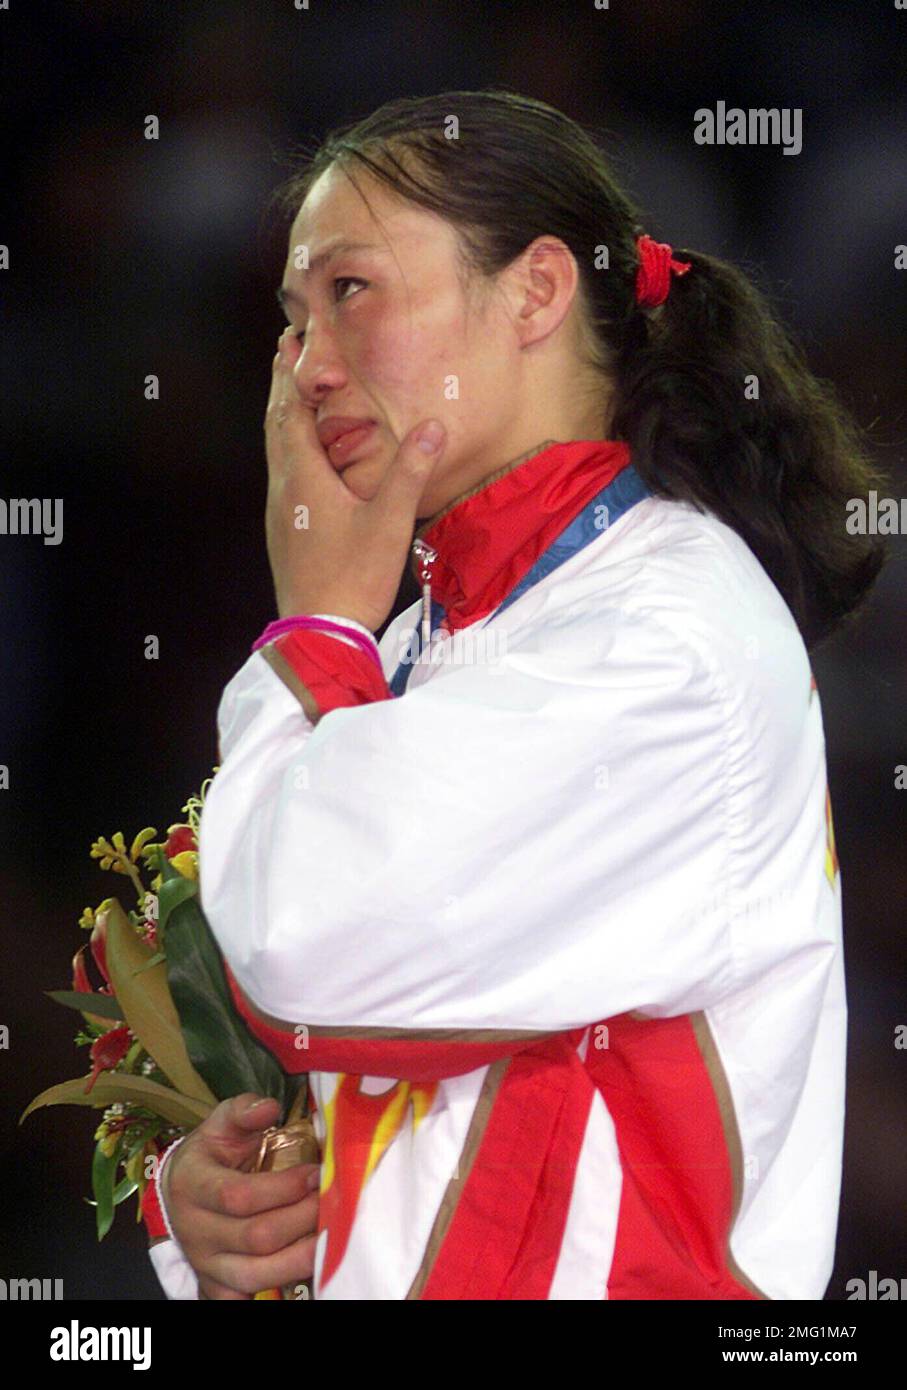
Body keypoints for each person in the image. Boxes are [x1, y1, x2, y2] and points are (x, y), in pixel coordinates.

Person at [140, 89, 888, 1300]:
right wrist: (213, 1206)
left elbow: (302, 941)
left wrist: (318, 623)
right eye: (290, 319)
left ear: (536, 293)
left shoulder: (660, 641)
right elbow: (379, 1073)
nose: (306, 369)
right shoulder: (447, 631)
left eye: (351, 293)